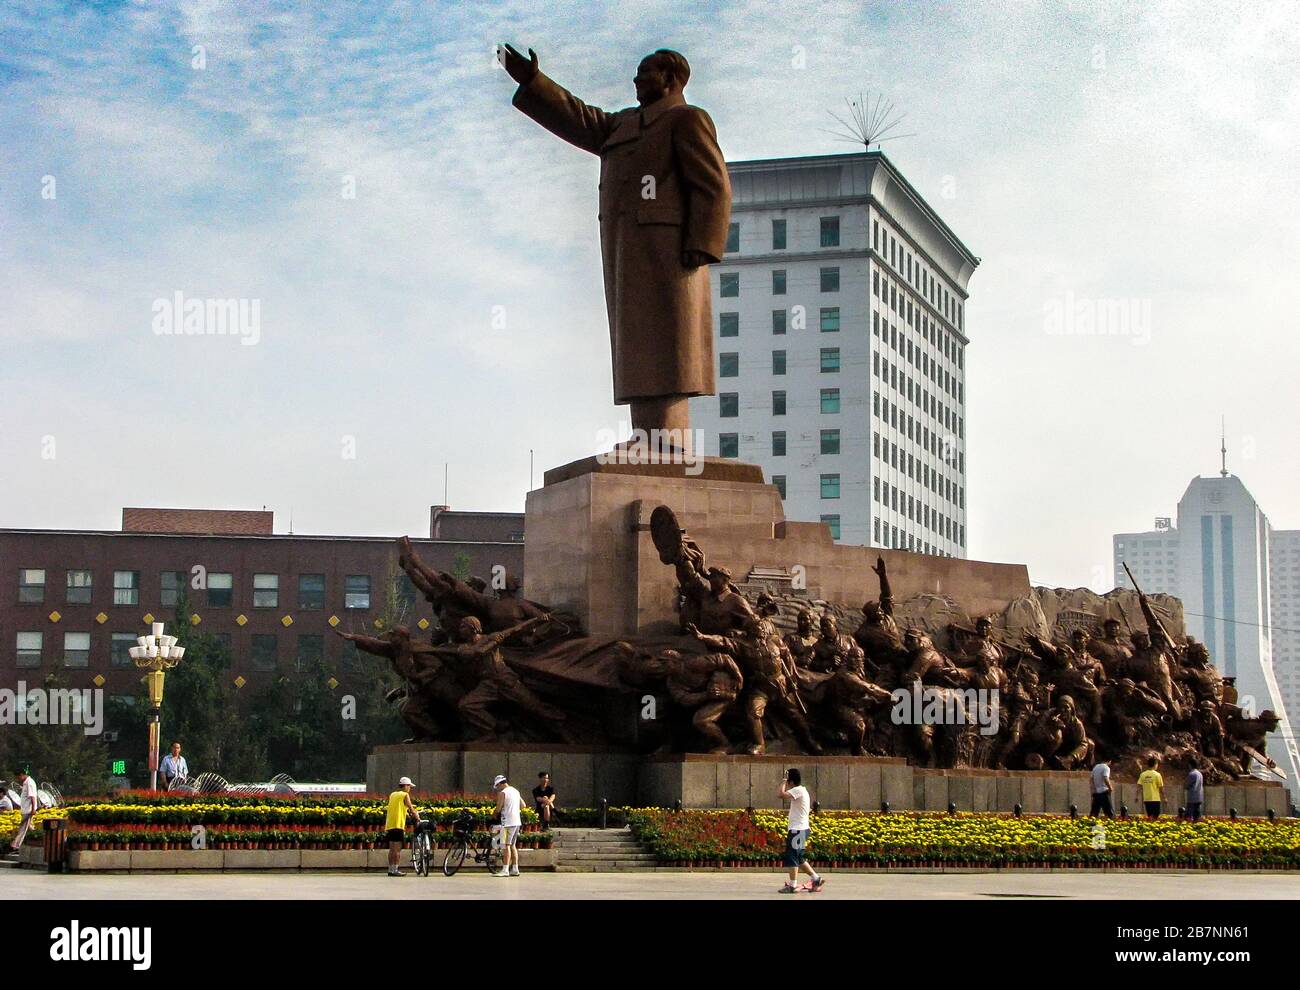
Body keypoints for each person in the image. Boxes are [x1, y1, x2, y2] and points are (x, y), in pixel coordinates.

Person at [777, 768, 824, 893]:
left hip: (797, 830)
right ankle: (816, 879)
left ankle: (792, 886)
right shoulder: (803, 790)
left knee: (792, 856)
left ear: (791, 782)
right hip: (801, 829)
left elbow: (781, 795)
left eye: (788, 782)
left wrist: (783, 781)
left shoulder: (797, 790)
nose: (787, 785)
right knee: (799, 858)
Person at [384, 776, 421, 877]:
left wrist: (407, 814)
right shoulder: (405, 795)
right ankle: (395, 869)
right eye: (409, 786)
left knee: (392, 849)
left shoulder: (393, 794)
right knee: (397, 849)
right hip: (398, 824)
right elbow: (410, 807)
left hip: (390, 824)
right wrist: (417, 816)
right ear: (405, 786)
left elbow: (399, 808)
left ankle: (390, 869)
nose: (409, 789)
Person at [493, 774, 525, 877]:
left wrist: (493, 814)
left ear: (500, 784)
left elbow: (498, 808)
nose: (497, 788)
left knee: (505, 846)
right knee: (512, 845)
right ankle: (515, 869)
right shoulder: (516, 791)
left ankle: (505, 869)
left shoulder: (503, 793)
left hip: (507, 823)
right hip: (517, 822)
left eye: (497, 786)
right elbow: (523, 805)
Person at [9, 768, 39, 856]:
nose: (18, 779)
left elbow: (32, 797)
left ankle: (16, 846)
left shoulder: (29, 783)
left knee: (22, 828)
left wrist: (33, 809)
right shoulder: (26, 783)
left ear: (22, 774)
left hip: (28, 810)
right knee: (30, 828)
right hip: (26, 809)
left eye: (18, 777)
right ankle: (38, 840)